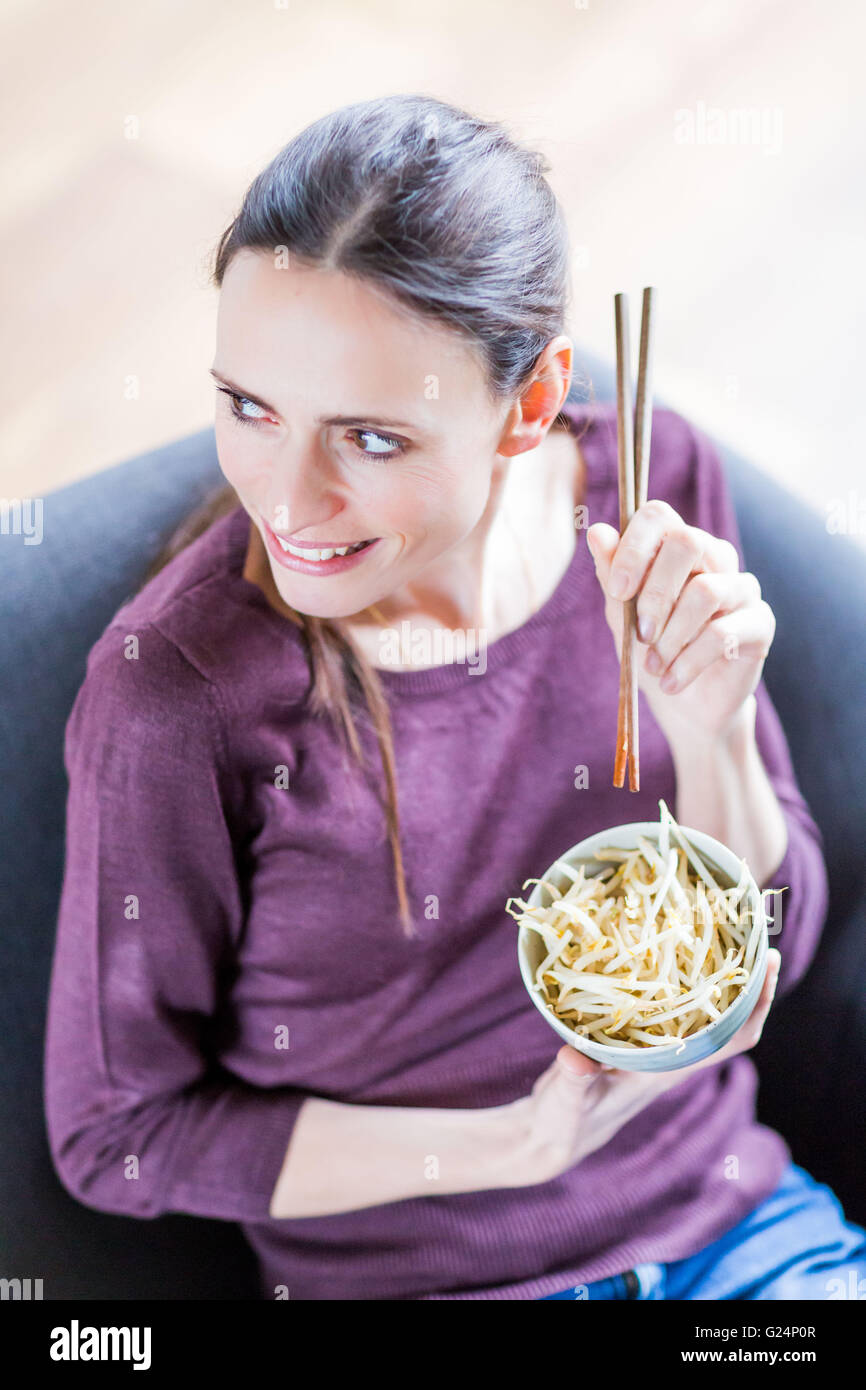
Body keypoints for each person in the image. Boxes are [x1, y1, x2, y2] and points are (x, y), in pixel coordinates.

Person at [43, 93, 865, 1301]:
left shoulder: (648, 497)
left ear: (528, 406)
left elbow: (769, 956)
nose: (286, 500)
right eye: (248, 406)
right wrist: (510, 1144)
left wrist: (713, 729)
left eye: (368, 438)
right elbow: (117, 1134)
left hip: (728, 1232)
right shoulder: (177, 695)